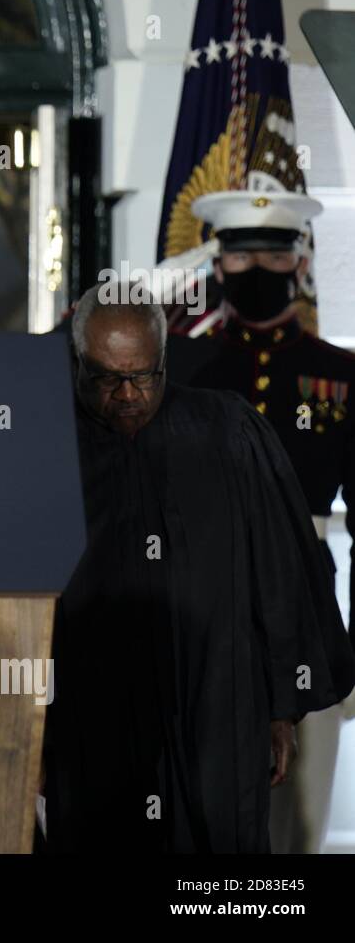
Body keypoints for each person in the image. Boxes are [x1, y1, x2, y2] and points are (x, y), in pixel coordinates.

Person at [43, 281, 355, 852]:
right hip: (92, 711)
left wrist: (281, 707)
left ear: (165, 360)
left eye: (142, 375)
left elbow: (279, 576)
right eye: (107, 378)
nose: (128, 395)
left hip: (219, 703)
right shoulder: (50, 446)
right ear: (78, 364)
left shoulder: (227, 432)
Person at [166, 190, 355, 852]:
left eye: (274, 254)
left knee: (297, 813)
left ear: (300, 262)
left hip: (301, 599)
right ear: (217, 266)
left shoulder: (340, 376)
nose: (257, 270)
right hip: (192, 595)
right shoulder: (182, 367)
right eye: (242, 257)